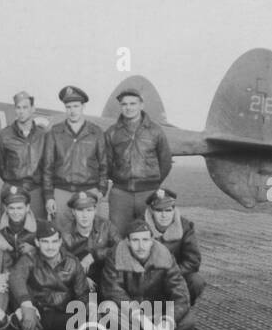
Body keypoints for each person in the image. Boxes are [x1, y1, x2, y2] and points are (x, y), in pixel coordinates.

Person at [8, 219, 109, 330]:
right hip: (37, 314)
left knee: (89, 310)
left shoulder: (72, 262)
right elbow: (16, 278)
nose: (50, 247)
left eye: (54, 241)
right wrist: (26, 305)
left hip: (61, 314)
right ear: (37, 242)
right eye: (45, 242)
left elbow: (83, 295)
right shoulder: (29, 259)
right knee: (21, 309)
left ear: (60, 241)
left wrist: (92, 317)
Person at [100, 221, 198, 330]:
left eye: (145, 240)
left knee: (189, 317)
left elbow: (181, 293)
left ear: (152, 240)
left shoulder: (165, 255)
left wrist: (167, 321)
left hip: (156, 313)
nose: (141, 246)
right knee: (107, 308)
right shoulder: (116, 255)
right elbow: (112, 290)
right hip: (130, 315)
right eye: (135, 240)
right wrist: (139, 317)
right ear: (128, 241)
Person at [41, 85, 109, 238]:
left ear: (83, 106)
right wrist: (49, 196)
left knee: (89, 235)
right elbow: (47, 167)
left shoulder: (96, 132)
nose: (72, 110)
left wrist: (101, 191)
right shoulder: (54, 132)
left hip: (88, 191)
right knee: (61, 233)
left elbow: (104, 165)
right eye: (68, 106)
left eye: (76, 106)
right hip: (62, 192)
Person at [103, 89, 173, 237]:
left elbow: (165, 161)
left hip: (148, 193)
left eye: (133, 103)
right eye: (124, 104)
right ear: (121, 107)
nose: (128, 107)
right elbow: (106, 162)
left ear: (141, 105)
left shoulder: (156, 131)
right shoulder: (112, 132)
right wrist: (119, 179)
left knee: (149, 235)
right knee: (117, 235)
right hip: (120, 194)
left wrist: (152, 183)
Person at [145, 188, 207, 304]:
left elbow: (193, 261)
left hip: (176, 275)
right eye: (159, 210)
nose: (164, 215)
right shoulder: (140, 227)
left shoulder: (185, 227)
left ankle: (183, 308)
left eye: (168, 210)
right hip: (149, 277)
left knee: (196, 281)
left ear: (174, 210)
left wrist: (172, 274)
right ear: (151, 210)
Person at [0, 91, 48, 221]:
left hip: (35, 191)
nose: (21, 111)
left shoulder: (43, 136)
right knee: (9, 228)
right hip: (13, 188)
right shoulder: (5, 135)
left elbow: (48, 165)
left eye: (25, 107)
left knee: (37, 227)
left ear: (33, 109)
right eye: (18, 107)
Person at [62, 190, 120, 294]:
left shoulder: (106, 226)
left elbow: (121, 249)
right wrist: (81, 278)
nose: (85, 215)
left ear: (95, 210)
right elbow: (61, 264)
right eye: (80, 210)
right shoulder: (66, 234)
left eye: (89, 210)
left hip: (107, 278)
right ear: (73, 212)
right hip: (79, 283)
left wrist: (95, 255)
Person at [0, 183, 38, 259]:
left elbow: (54, 249)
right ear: (5, 208)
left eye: (19, 208)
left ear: (27, 207)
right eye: (11, 208)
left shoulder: (39, 227)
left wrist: (35, 250)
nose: (16, 213)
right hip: (6, 266)